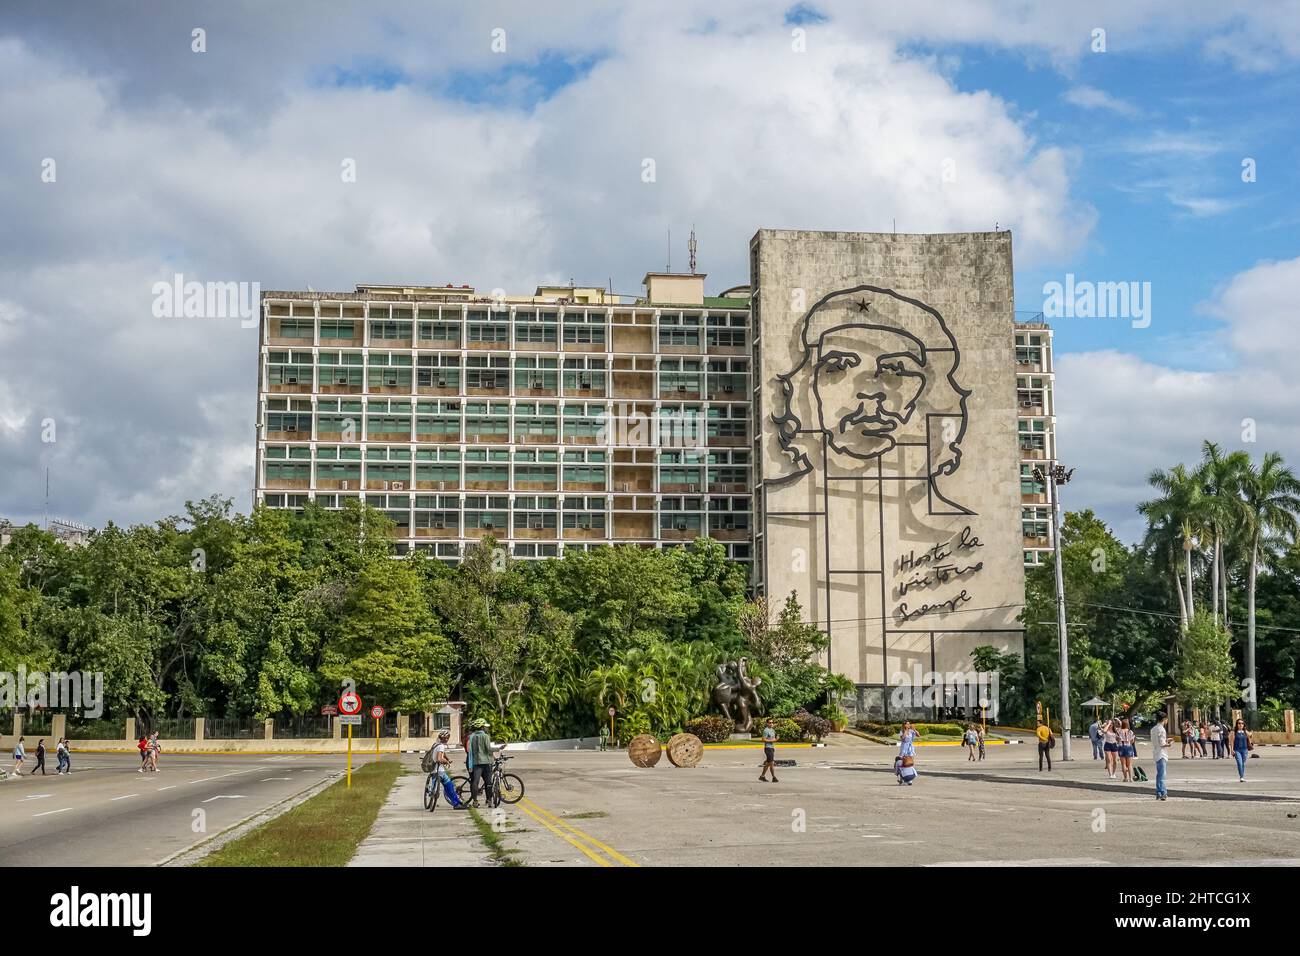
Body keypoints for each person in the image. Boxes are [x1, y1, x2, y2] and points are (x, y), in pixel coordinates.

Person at [466, 719, 502, 807]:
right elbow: (488, 749)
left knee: (475, 782)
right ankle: (489, 800)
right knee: (488, 782)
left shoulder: (472, 737)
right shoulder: (485, 736)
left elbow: (470, 751)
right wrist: (499, 748)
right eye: (485, 727)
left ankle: (475, 801)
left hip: (476, 763)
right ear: (482, 727)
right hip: (486, 762)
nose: (486, 728)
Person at [428, 729, 464, 809]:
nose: (448, 739)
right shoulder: (441, 746)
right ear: (444, 738)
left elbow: (442, 754)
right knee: (450, 786)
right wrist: (446, 762)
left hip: (434, 770)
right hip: (440, 771)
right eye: (447, 738)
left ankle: (431, 791)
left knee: (437, 785)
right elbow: (439, 758)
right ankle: (456, 804)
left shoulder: (436, 744)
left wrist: (447, 759)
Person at [1151, 712, 1170, 800]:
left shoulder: (1154, 728)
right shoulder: (1162, 729)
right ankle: (1163, 792)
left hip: (1156, 752)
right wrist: (1169, 744)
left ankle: (1158, 792)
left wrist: (1166, 740)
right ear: (1164, 719)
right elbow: (1162, 744)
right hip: (1162, 753)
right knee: (1162, 774)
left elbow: (1157, 741)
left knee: (1159, 774)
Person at [759, 718, 779, 783]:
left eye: (772, 722)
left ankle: (762, 776)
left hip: (772, 748)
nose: (771, 724)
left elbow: (775, 737)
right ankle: (774, 777)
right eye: (770, 722)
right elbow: (763, 739)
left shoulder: (772, 730)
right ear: (767, 723)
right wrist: (772, 740)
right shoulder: (766, 730)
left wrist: (777, 738)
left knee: (768, 763)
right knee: (771, 763)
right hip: (768, 748)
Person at [1118, 718, 1135, 782]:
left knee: (1123, 764)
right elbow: (1132, 741)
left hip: (1121, 747)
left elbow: (1118, 739)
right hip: (1129, 746)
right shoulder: (1130, 731)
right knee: (1129, 764)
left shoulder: (1119, 731)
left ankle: (1125, 778)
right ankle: (1131, 778)